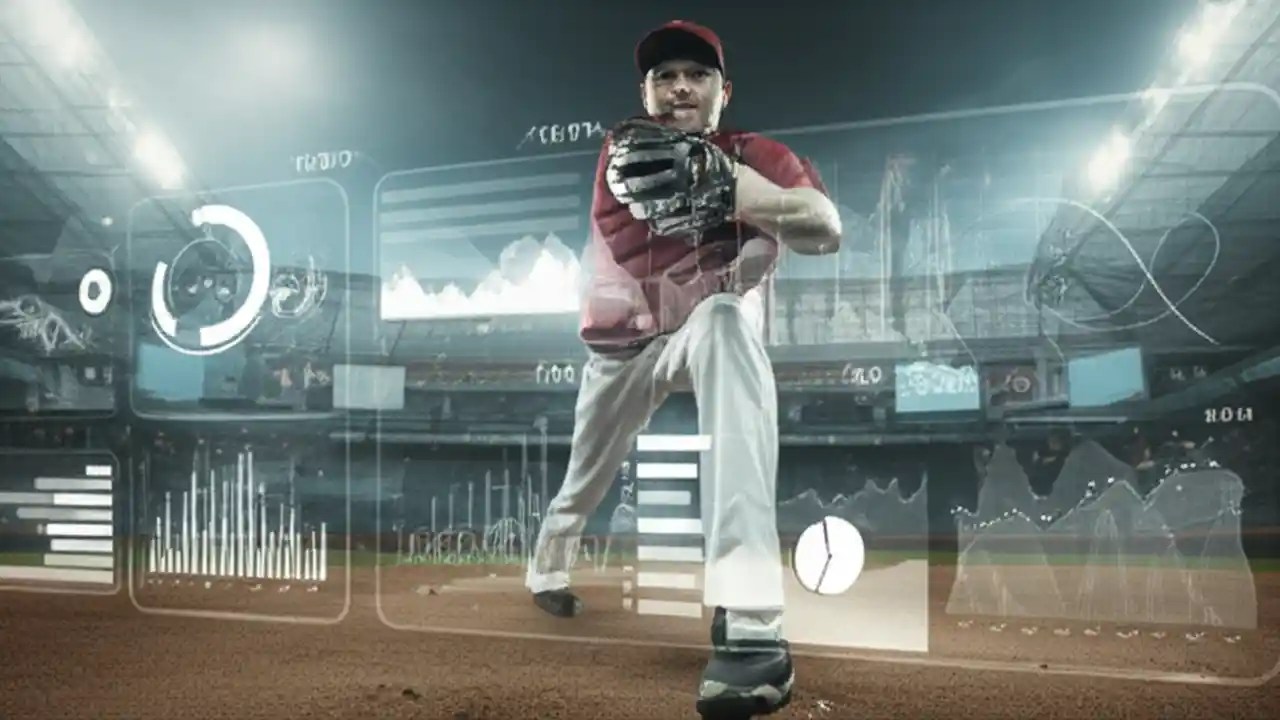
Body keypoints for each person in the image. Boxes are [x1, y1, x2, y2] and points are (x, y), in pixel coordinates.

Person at [524, 19, 841, 718]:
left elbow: (825, 229)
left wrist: (734, 188)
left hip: (698, 325)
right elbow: (649, 199)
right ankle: (546, 569)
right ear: (645, 93)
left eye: (697, 75)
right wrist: (736, 194)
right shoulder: (626, 150)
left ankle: (750, 619)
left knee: (727, 320)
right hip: (622, 346)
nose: (679, 88)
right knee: (585, 475)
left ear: (725, 91)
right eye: (663, 76)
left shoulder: (753, 155)